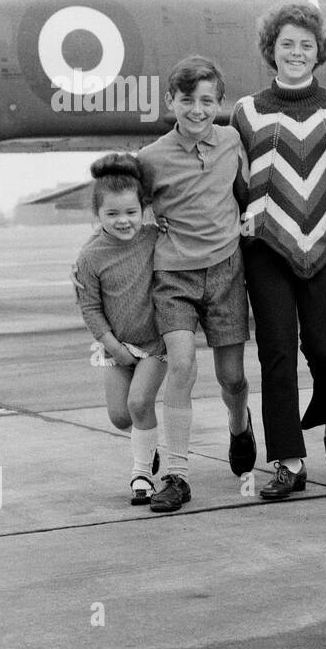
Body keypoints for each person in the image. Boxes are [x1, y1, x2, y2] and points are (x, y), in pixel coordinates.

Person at [232, 2, 326, 499]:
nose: (296, 52)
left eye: (306, 44)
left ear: (319, 51)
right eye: (287, 43)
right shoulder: (247, 110)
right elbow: (236, 177)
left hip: (325, 242)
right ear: (272, 49)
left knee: (324, 347)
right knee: (277, 352)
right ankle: (289, 460)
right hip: (265, 246)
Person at [138, 56, 254, 513]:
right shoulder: (149, 159)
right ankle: (178, 475)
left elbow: (246, 193)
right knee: (182, 366)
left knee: (233, 377)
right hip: (174, 277)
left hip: (226, 271)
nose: (197, 110)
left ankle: (239, 424)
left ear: (218, 104)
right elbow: (132, 213)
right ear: (172, 101)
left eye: (207, 101)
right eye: (187, 100)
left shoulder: (232, 141)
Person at [73, 153, 167, 503]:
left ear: (143, 208)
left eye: (130, 212)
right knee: (120, 416)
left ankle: (141, 475)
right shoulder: (90, 256)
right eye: (112, 214)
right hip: (117, 344)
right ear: (97, 215)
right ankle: (147, 443)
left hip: (156, 342)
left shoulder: (154, 237)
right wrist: (113, 347)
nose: (123, 221)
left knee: (141, 402)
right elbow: (90, 308)